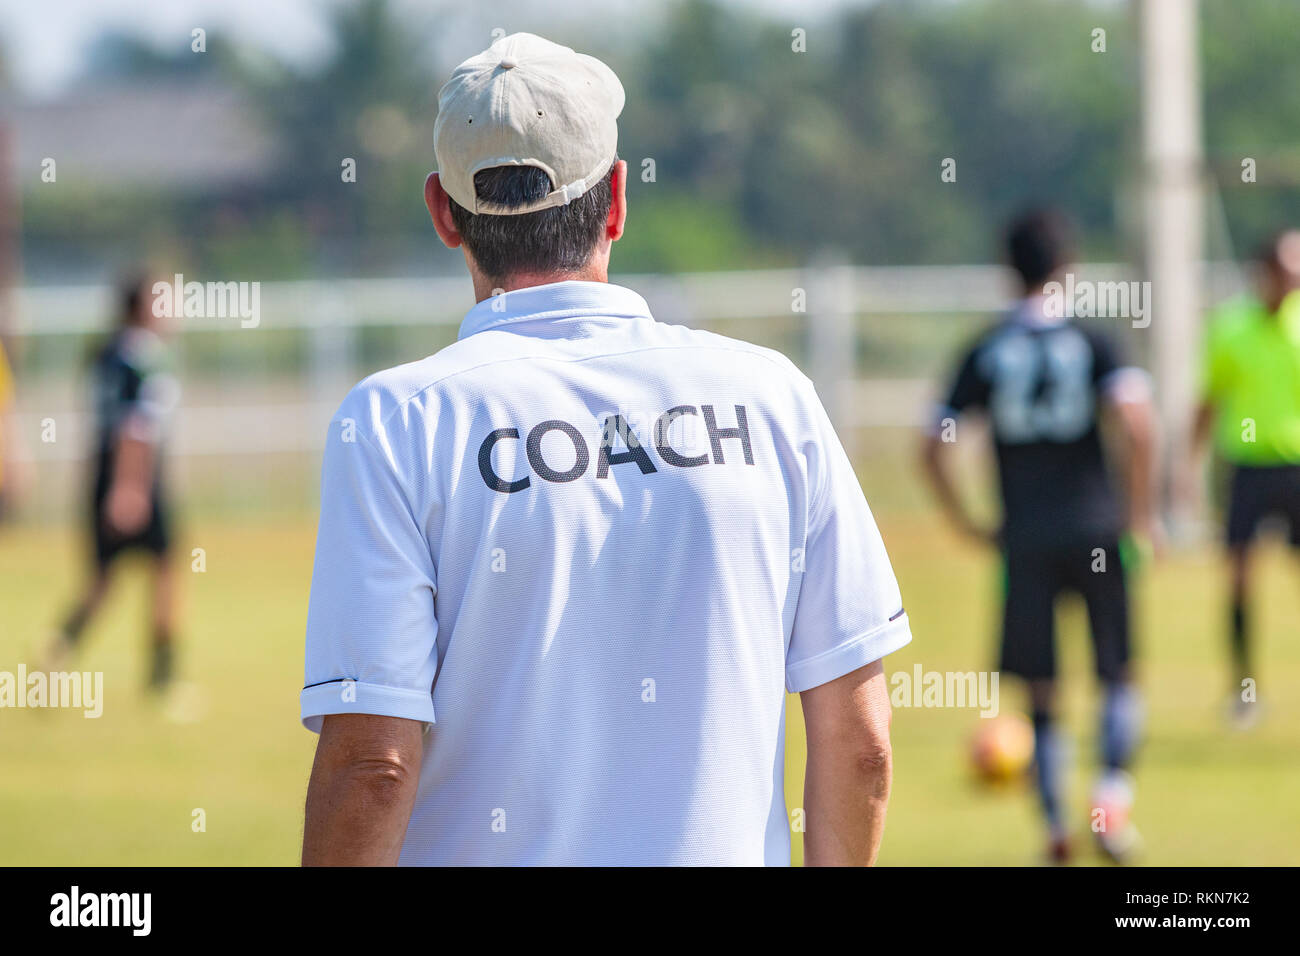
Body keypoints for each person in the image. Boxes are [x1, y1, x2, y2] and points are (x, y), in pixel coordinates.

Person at [300, 33, 911, 867]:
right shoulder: (772, 396)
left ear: (444, 212)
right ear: (619, 198)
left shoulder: (397, 419)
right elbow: (860, 741)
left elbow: (374, 765)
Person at [920, 208, 1157, 864]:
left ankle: (1054, 827)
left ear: (1008, 268)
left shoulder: (988, 348)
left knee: (1041, 691)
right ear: (1069, 264)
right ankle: (1111, 796)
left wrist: (966, 521)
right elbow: (1137, 425)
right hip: (1097, 529)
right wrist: (1141, 515)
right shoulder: (1094, 339)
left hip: (1023, 536)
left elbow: (931, 442)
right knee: (1118, 673)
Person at [45, 271, 181, 692]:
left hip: (103, 471)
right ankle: (162, 682)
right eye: (164, 300)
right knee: (167, 568)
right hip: (133, 474)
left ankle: (54, 653)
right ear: (143, 307)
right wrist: (131, 487)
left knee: (103, 579)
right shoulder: (143, 358)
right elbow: (134, 428)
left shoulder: (105, 354)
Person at [1189, 229, 1300, 728]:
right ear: (1267, 272)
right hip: (1249, 468)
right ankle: (1244, 691)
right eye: (1288, 268)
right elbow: (1209, 402)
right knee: (1238, 579)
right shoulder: (1230, 327)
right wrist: (1188, 469)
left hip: (1298, 466)